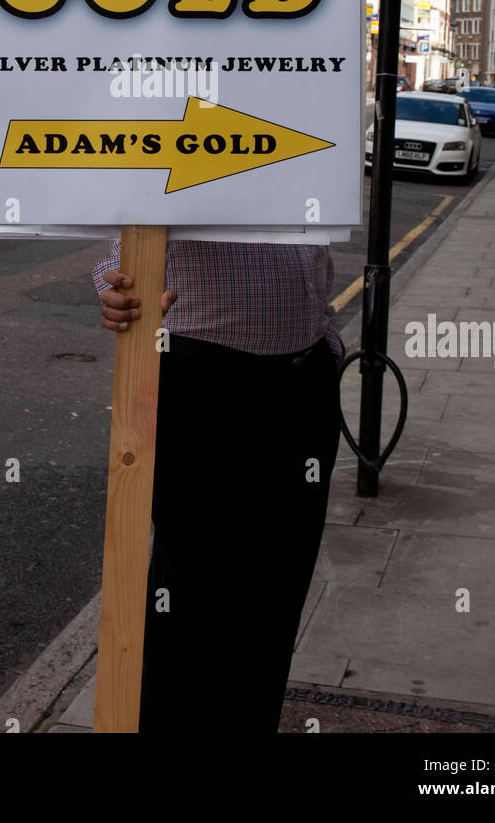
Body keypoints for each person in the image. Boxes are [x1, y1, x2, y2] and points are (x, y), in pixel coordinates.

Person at [94, 238, 344, 733]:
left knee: (275, 597)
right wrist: (113, 281)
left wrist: (328, 346)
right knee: (191, 600)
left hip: (302, 385)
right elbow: (121, 212)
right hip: (202, 384)